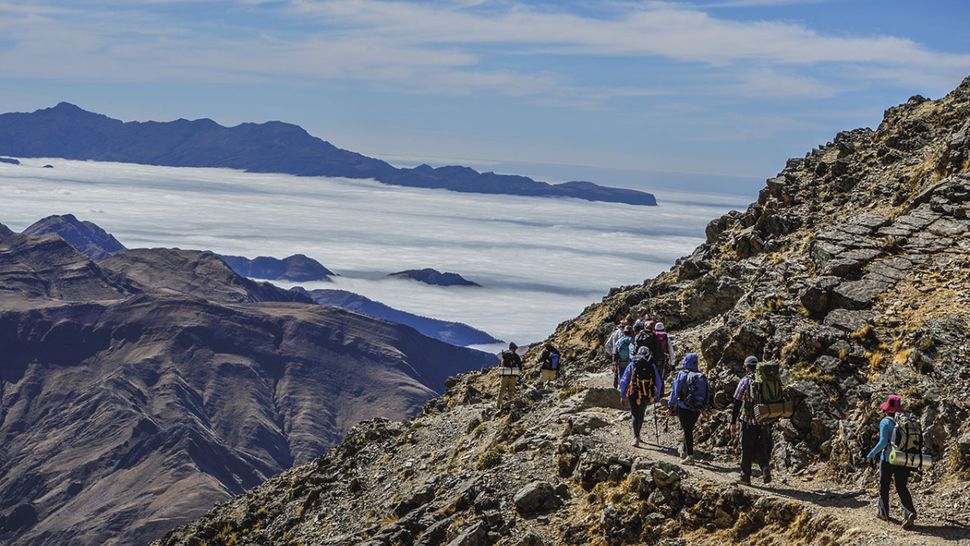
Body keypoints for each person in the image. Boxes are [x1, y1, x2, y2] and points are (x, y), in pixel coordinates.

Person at [867, 394, 917, 529]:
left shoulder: (885, 422)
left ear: (887, 409)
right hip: (903, 458)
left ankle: (883, 513)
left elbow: (883, 442)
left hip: (888, 459)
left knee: (884, 485)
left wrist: (872, 454)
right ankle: (910, 512)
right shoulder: (906, 420)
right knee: (901, 486)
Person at [730, 356, 772, 484]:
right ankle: (765, 467)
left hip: (748, 420)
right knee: (760, 446)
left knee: (746, 447)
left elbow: (737, 402)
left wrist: (733, 422)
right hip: (764, 420)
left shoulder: (746, 381)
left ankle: (745, 477)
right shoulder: (765, 380)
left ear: (746, 367)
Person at [668, 353, 708, 465]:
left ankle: (690, 456)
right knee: (688, 428)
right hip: (697, 408)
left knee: (687, 430)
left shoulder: (681, 375)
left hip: (684, 407)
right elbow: (707, 393)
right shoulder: (701, 376)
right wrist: (704, 408)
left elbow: (675, 392)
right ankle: (685, 452)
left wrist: (670, 405)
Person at [619, 346, 662, 447]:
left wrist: (622, 394)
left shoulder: (633, 364)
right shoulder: (651, 365)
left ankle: (636, 437)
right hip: (647, 393)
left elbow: (624, 380)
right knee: (641, 413)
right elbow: (658, 382)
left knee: (634, 413)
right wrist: (657, 395)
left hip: (634, 392)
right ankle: (638, 435)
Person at [497, 342, 522, 409]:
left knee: (502, 390)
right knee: (511, 391)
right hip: (513, 376)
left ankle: (498, 405)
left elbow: (501, 365)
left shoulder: (505, 355)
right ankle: (511, 405)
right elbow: (520, 367)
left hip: (504, 376)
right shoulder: (516, 356)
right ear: (515, 349)